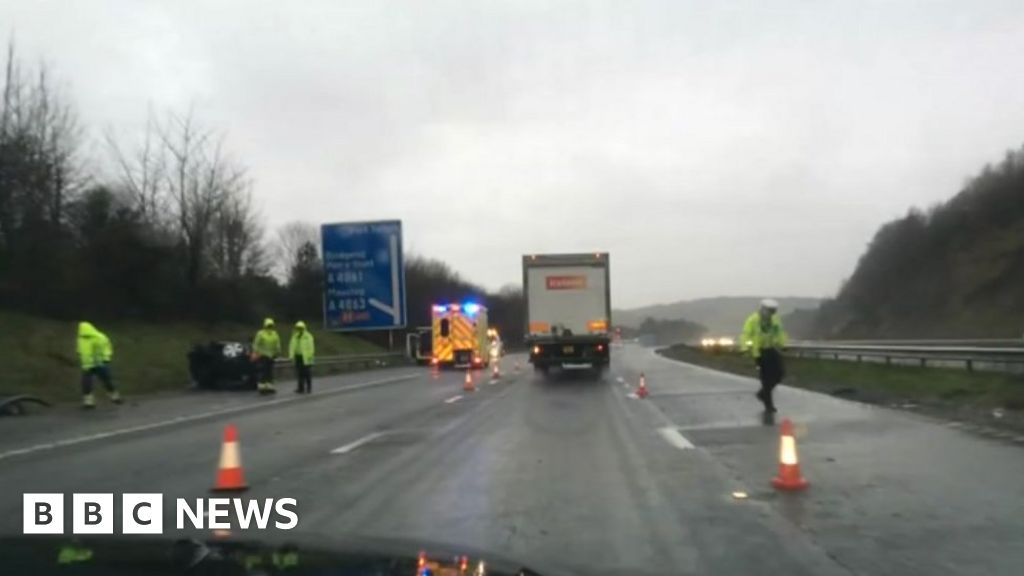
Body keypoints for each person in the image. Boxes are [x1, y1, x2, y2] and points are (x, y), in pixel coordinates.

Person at [741, 299, 788, 413]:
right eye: (770, 311)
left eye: (774, 311)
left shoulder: (775, 320)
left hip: (771, 349)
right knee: (766, 379)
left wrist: (782, 344)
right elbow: (746, 335)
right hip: (759, 352)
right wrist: (745, 348)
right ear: (763, 309)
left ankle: (762, 394)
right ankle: (768, 405)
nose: (772, 313)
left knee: (780, 373)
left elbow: (780, 332)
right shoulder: (753, 320)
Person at [77, 321, 122, 409]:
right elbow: (80, 350)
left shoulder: (97, 337)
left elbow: (106, 348)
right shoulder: (82, 339)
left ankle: (114, 397)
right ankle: (90, 401)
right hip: (90, 364)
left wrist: (106, 358)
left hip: (98, 363)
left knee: (106, 380)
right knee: (88, 383)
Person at [252, 318, 281, 395]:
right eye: (269, 325)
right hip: (263, 355)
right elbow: (256, 344)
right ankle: (262, 388)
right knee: (264, 372)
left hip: (271, 356)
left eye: (270, 325)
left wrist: (277, 352)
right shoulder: (261, 334)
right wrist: (255, 352)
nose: (270, 327)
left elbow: (277, 344)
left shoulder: (274, 334)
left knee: (269, 372)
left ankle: (269, 387)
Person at [288, 321, 315, 394]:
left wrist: (310, 356)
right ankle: (300, 388)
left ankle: (309, 387)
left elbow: (311, 347)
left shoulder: (308, 336)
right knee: (299, 373)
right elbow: (292, 346)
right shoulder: (295, 336)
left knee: (307, 373)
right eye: (298, 328)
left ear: (304, 328)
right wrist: (291, 355)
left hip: (306, 357)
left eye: (300, 328)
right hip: (298, 356)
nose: (299, 329)